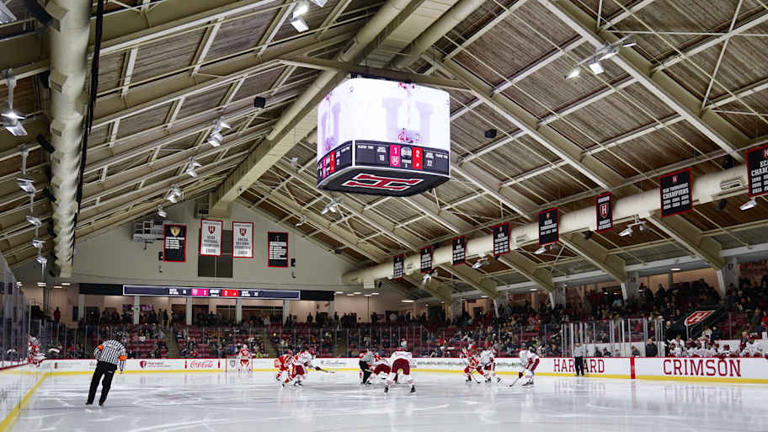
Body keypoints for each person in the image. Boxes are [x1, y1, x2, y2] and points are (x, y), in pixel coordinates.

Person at [87, 334, 126, 406]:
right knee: (106, 385)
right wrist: (121, 368)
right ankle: (101, 401)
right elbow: (123, 359)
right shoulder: (121, 347)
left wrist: (98, 358)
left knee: (94, 382)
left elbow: (96, 350)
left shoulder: (106, 342)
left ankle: (90, 401)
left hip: (101, 364)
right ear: (121, 339)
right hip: (111, 366)